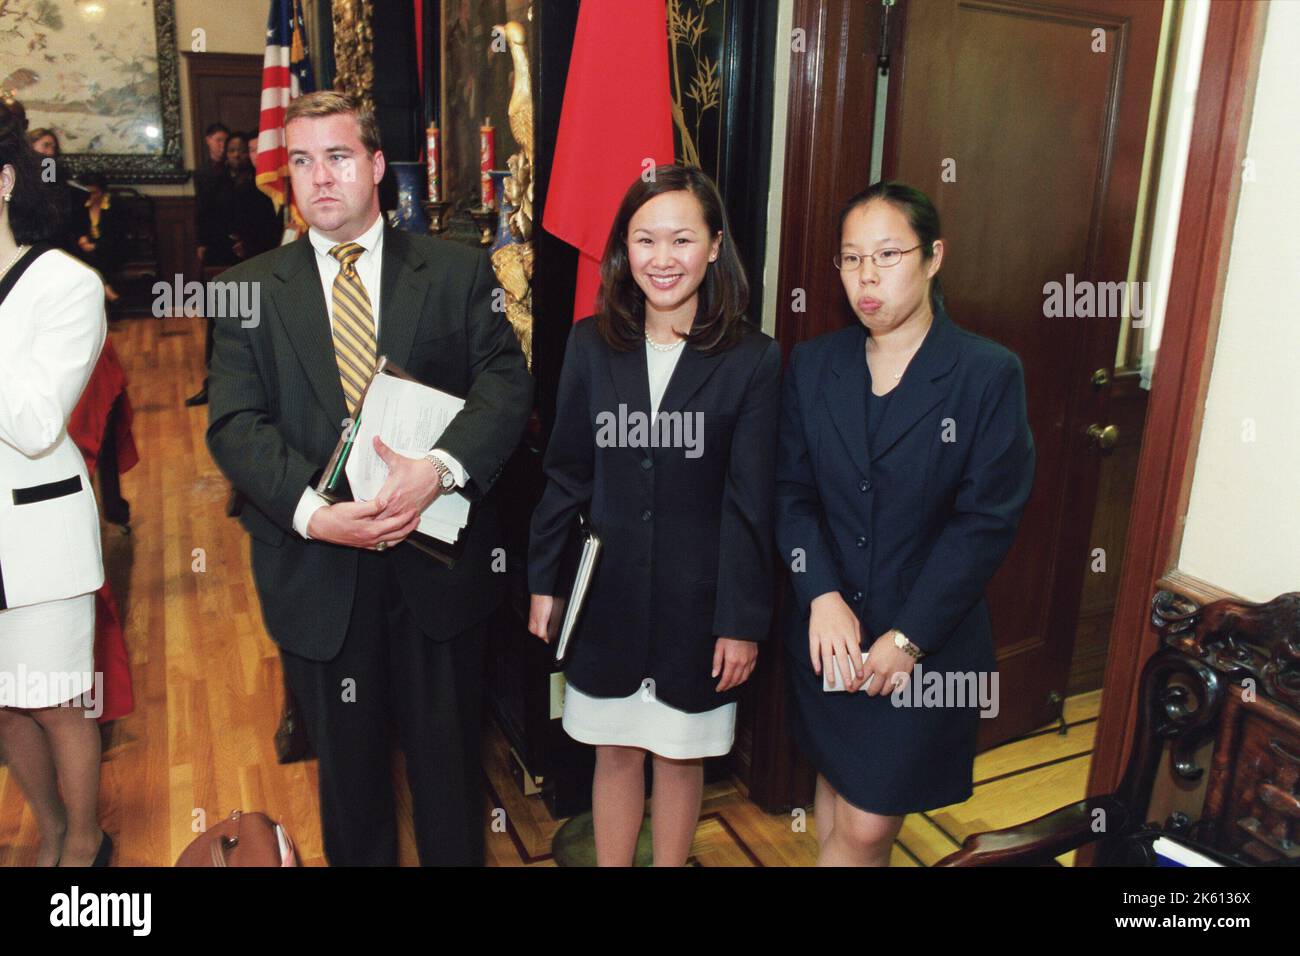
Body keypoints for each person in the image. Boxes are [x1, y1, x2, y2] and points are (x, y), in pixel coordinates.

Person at [205, 90, 532, 866]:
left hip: (436, 570)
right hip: (318, 571)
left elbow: (505, 385)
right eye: (303, 161)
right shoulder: (247, 288)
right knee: (350, 786)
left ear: (378, 165)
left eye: (340, 156)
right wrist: (315, 513)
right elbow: (234, 425)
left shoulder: (457, 273)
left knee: (450, 776)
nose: (320, 178)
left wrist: (440, 470)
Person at [775, 181, 1035, 866]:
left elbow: (985, 524)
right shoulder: (814, 364)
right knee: (836, 791)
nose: (867, 276)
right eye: (850, 258)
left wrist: (910, 638)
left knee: (866, 824)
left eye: (887, 254)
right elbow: (792, 495)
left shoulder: (986, 375)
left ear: (933, 256)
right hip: (829, 637)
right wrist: (820, 595)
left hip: (924, 646)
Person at [527, 165, 781, 867]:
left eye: (681, 239)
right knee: (614, 753)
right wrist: (544, 581)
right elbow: (567, 471)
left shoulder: (753, 360)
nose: (662, 259)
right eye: (645, 239)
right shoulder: (588, 344)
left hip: (697, 607)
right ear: (622, 249)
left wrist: (740, 620)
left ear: (713, 246)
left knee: (677, 758)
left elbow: (750, 502)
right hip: (605, 596)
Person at [0, 98, 112, 867]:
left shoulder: (63, 284)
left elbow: (39, 423)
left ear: (4, 179)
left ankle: (84, 842)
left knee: (51, 700)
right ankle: (45, 831)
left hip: (36, 527)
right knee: (6, 709)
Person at [185, 122, 231, 407]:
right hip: (213, 246)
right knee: (214, 312)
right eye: (218, 140)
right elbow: (200, 211)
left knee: (236, 311)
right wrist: (200, 244)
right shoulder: (202, 173)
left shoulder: (234, 174)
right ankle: (211, 381)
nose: (222, 146)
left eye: (225, 141)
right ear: (207, 141)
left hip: (235, 247)